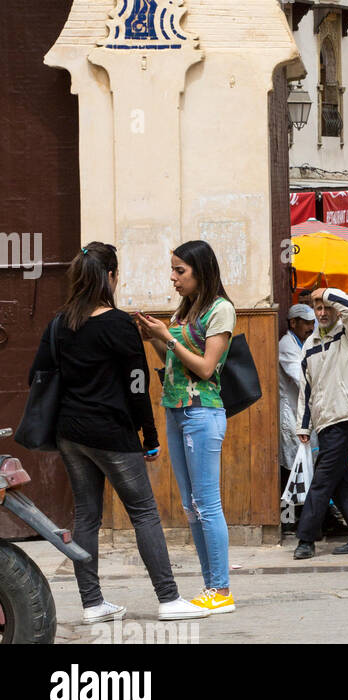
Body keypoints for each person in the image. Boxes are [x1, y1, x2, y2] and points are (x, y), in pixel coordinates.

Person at [30, 245, 204, 625]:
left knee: (87, 518)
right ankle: (169, 598)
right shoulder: (120, 324)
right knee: (143, 513)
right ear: (110, 276)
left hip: (70, 434)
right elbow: (138, 386)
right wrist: (150, 436)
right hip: (110, 432)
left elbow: (37, 377)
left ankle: (92, 604)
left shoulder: (59, 323)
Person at [135, 240, 238, 614]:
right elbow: (173, 364)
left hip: (203, 412)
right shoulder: (186, 309)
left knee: (207, 504)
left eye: (181, 270)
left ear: (201, 271)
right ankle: (211, 585)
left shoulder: (221, 310)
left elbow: (207, 368)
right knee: (190, 505)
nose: (174, 278)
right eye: (173, 270)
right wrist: (155, 340)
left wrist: (167, 338)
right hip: (176, 410)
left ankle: (220, 589)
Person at [293, 286, 348, 560]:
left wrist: (326, 292)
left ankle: (305, 539)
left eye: (327, 306)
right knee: (342, 481)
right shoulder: (309, 347)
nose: (323, 311)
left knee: (322, 479)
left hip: (346, 416)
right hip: (324, 422)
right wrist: (303, 426)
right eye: (318, 307)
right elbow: (306, 391)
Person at [279, 303, 317, 514]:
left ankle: (302, 516)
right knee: (292, 468)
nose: (311, 327)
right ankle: (290, 518)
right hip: (290, 414)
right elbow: (301, 379)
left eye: (313, 323)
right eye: (306, 323)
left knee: (301, 467)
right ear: (293, 323)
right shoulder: (287, 345)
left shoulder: (302, 343)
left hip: (301, 414)